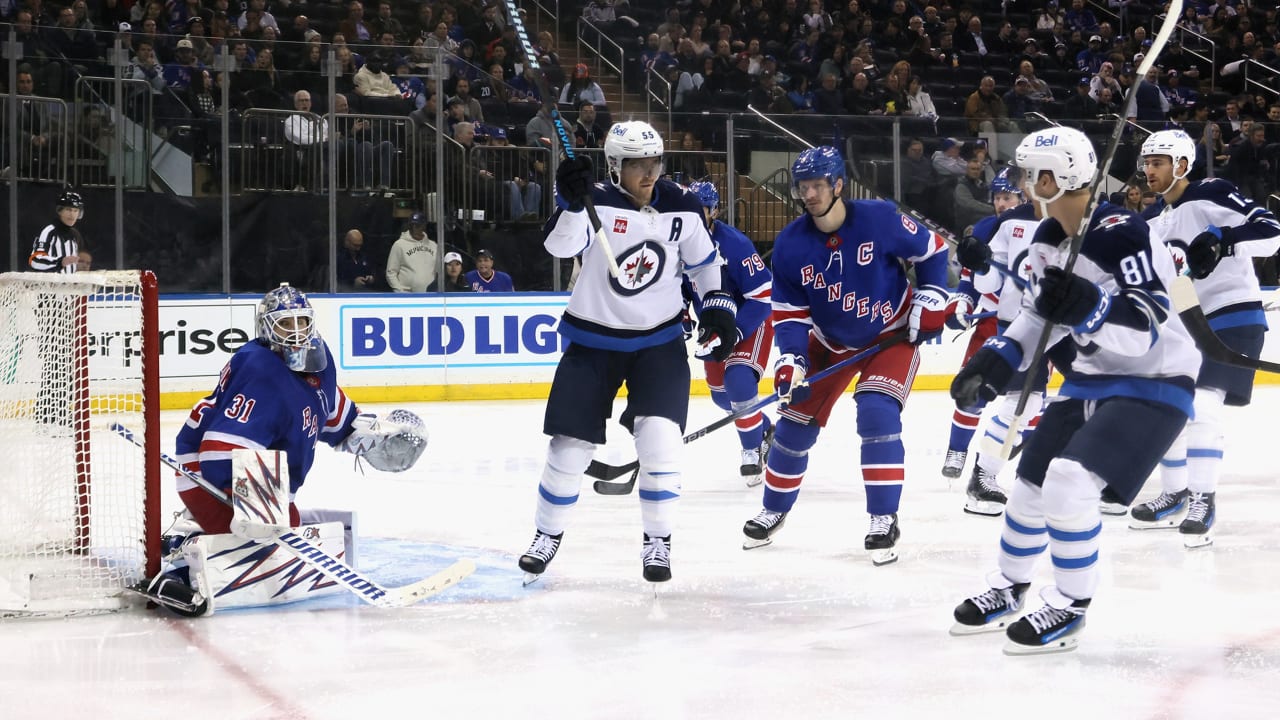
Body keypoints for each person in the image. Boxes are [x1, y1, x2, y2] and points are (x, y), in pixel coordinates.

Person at [948, 126, 1200, 653]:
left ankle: (1070, 605)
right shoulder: (1046, 243)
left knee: (1067, 483)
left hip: (1154, 381)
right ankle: (1010, 588)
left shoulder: (1120, 231)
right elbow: (1040, 318)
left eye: (1026, 173)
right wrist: (992, 365)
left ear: (1053, 177)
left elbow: (1143, 329)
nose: (1020, 182)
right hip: (1090, 380)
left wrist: (1091, 307)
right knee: (1028, 489)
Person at [517, 120, 738, 585]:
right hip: (592, 342)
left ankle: (658, 541)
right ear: (615, 166)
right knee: (568, 448)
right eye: (637, 164)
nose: (649, 173)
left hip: (658, 343)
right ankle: (547, 534)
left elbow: (704, 265)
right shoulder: (593, 198)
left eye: (654, 162)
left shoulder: (682, 205)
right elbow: (559, 246)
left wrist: (717, 308)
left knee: (661, 443)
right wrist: (572, 203)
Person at [136, 283, 425, 616]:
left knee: (286, 527)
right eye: (286, 323)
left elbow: (327, 410)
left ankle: (196, 538)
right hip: (204, 471)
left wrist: (362, 433)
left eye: (302, 321)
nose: (297, 331)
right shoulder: (262, 371)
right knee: (263, 541)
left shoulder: (320, 356)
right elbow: (218, 452)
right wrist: (253, 508)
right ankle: (178, 572)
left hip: (267, 474)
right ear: (267, 326)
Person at [740, 145, 949, 565]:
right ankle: (773, 510)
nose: (810, 194)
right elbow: (791, 314)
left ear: (838, 185)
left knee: (876, 412)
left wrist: (932, 294)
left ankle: (882, 518)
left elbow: (934, 250)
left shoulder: (880, 218)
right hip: (829, 342)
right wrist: (792, 359)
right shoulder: (791, 245)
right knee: (794, 424)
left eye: (818, 185)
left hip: (889, 337)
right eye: (804, 186)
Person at [1131, 130, 1280, 546]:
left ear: (1181, 164)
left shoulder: (1211, 192)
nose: (1149, 171)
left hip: (1233, 313)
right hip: (1186, 325)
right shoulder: (1150, 223)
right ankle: (1176, 493)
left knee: (1203, 403)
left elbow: (1272, 231)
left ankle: (1202, 499)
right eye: (1146, 163)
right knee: (1167, 409)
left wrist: (1223, 239)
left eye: (1158, 162)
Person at [686, 181, 775, 487]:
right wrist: (683, 312)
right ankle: (764, 428)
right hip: (711, 327)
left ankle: (751, 450)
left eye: (702, 210)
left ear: (715, 211)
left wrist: (736, 332)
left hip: (750, 322)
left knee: (738, 382)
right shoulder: (677, 242)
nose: (695, 216)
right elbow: (679, 285)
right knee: (721, 397)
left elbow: (763, 295)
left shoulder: (734, 244)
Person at [940, 168, 1024, 484]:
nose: (1002, 203)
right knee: (971, 389)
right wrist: (961, 305)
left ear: (1022, 197)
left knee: (1029, 398)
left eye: (1008, 197)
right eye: (998, 197)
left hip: (1032, 326)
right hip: (990, 325)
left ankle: (1009, 452)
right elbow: (968, 281)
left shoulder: (1040, 227)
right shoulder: (986, 229)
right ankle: (957, 449)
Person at [29, 190, 85, 274]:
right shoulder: (49, 232)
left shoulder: (74, 234)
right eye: (68, 209)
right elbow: (35, 260)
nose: (72, 214)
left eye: (75, 210)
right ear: (59, 211)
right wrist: (60, 262)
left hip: (69, 286)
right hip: (51, 286)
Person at [385, 212, 438, 292]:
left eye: (418, 225)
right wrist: (400, 291)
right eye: (412, 225)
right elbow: (391, 272)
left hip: (430, 296)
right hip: (407, 297)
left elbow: (439, 272)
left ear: (424, 226)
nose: (415, 228)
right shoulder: (399, 245)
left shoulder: (433, 246)